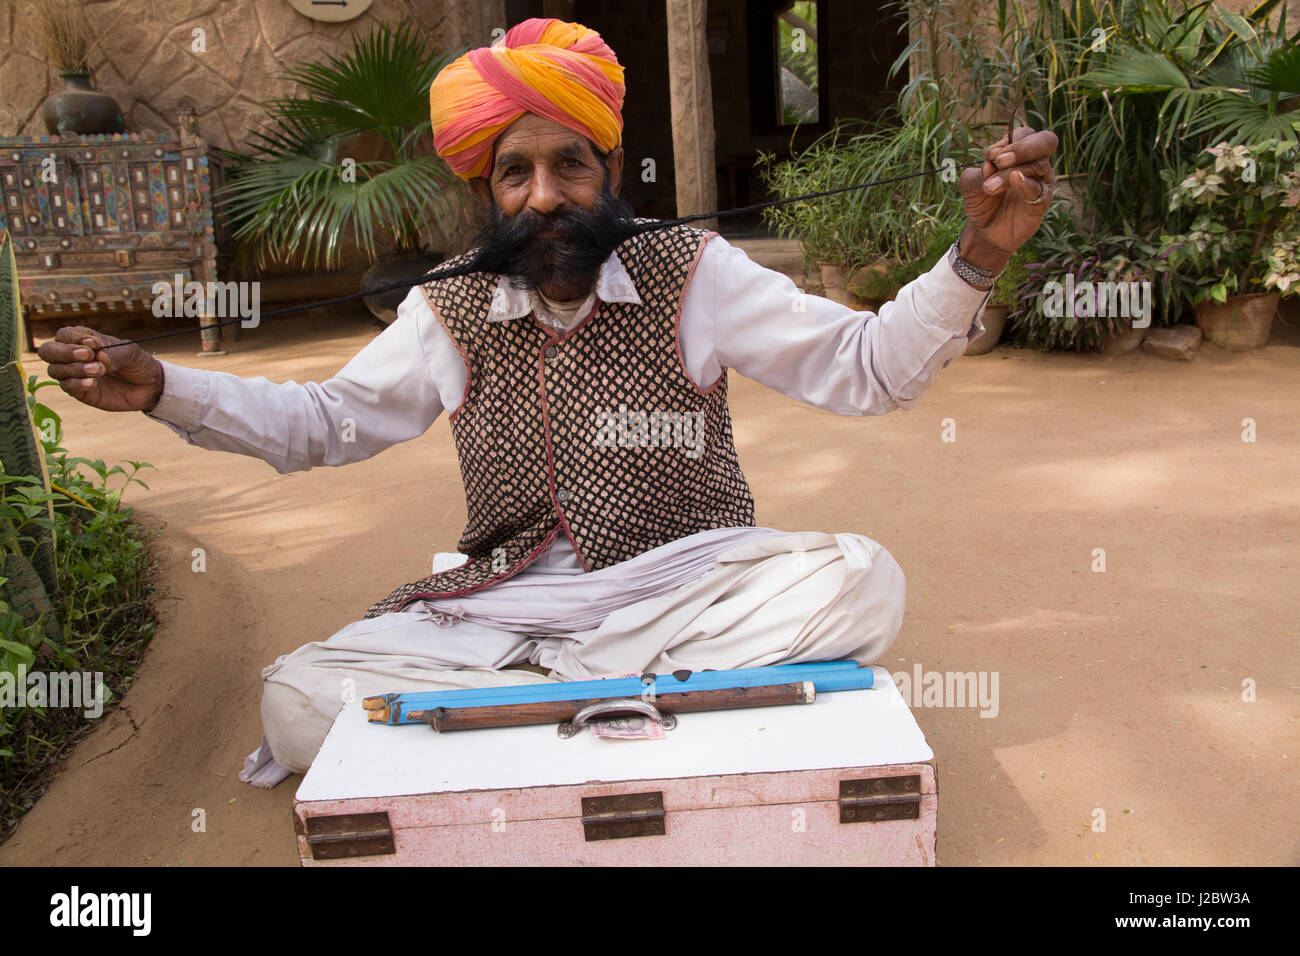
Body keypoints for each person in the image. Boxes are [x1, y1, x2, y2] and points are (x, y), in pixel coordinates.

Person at [36, 18, 1058, 787]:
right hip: (511, 602)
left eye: (568, 163)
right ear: (487, 193)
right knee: (296, 700)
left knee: (862, 580)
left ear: (607, 169)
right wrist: (167, 384)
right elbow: (326, 423)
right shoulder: (450, 305)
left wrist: (978, 254)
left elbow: (869, 366)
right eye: (513, 173)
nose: (543, 196)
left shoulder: (690, 269)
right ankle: (608, 689)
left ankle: (538, 704)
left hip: (685, 582)